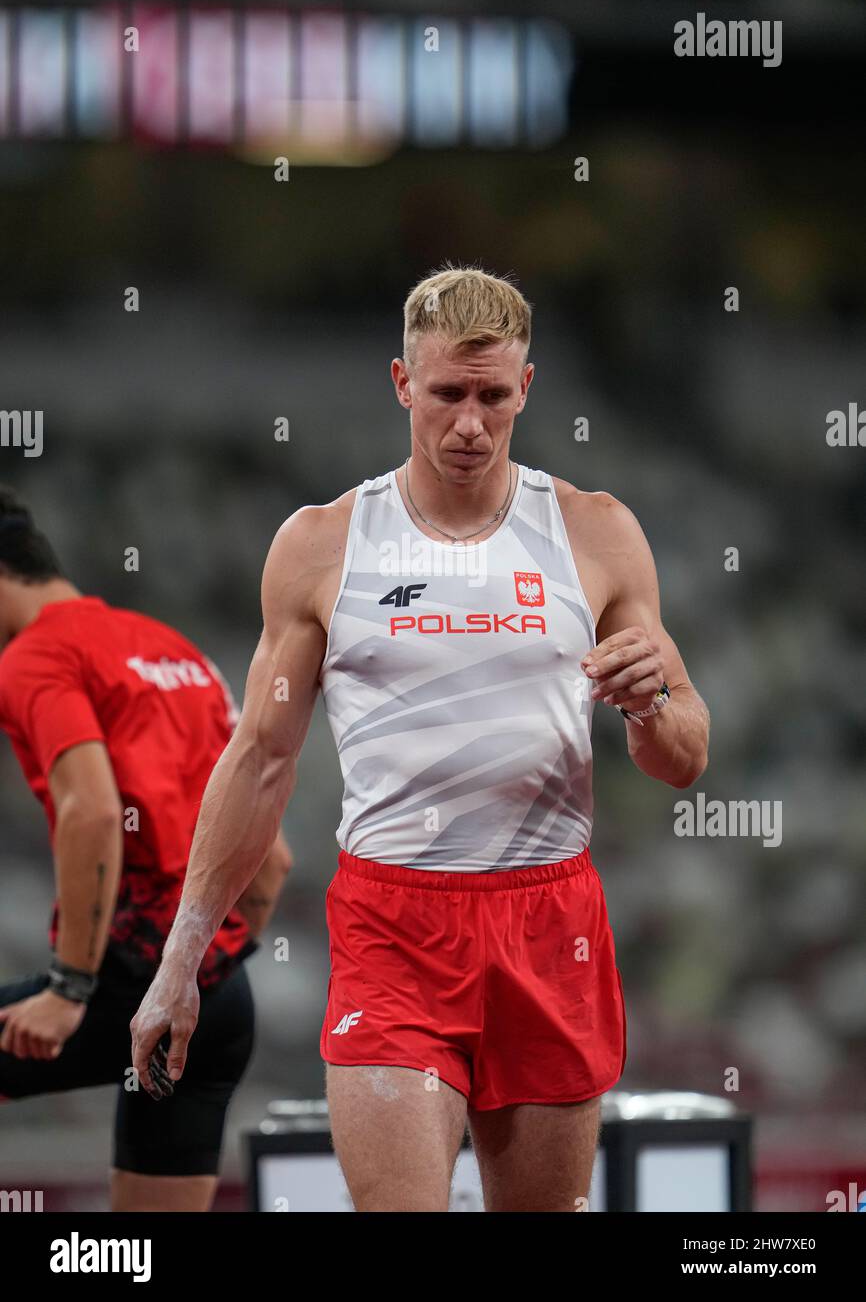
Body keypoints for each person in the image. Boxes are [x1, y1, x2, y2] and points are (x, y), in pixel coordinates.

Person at [131, 265, 709, 1212]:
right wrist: (179, 958)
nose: (470, 424)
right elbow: (261, 760)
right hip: (394, 928)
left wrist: (652, 705)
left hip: (547, 919)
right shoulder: (323, 546)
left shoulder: (597, 534)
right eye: (446, 394)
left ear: (527, 387)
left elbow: (682, 758)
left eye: (492, 396)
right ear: (403, 383)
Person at [0, 488, 292, 1212]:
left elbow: (92, 811)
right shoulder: (172, 649)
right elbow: (271, 854)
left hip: (127, 989)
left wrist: (70, 988)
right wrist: (210, 967)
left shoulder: (37, 658)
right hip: (220, 998)